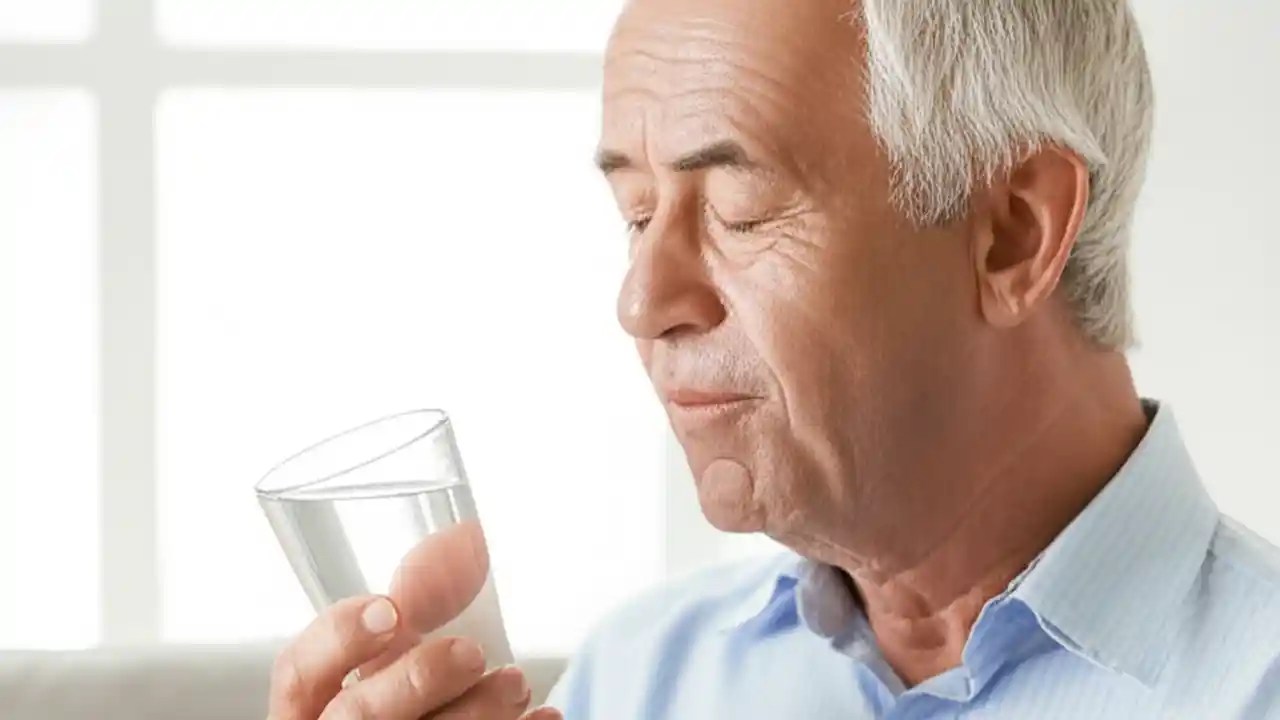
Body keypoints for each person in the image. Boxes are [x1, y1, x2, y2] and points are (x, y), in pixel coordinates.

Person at [265, 0, 1280, 717]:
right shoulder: (635, 681)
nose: (640, 303)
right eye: (636, 214)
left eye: (740, 211)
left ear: (1013, 234)